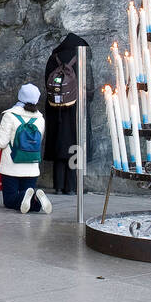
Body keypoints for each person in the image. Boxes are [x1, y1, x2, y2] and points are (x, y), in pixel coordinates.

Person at [44, 31, 94, 195]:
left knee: (59, 146)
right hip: (75, 110)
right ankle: (72, 187)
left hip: (55, 110)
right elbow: (90, 89)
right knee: (74, 145)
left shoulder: (54, 58)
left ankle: (58, 186)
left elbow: (47, 84)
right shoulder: (80, 58)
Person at [0, 83, 51, 213]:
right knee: (28, 204)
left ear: (20, 96)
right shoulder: (40, 119)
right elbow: (38, 141)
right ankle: (36, 199)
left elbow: (1, 142)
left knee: (10, 200)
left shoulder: (10, 115)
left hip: (11, 167)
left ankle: (28, 196)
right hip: (31, 168)